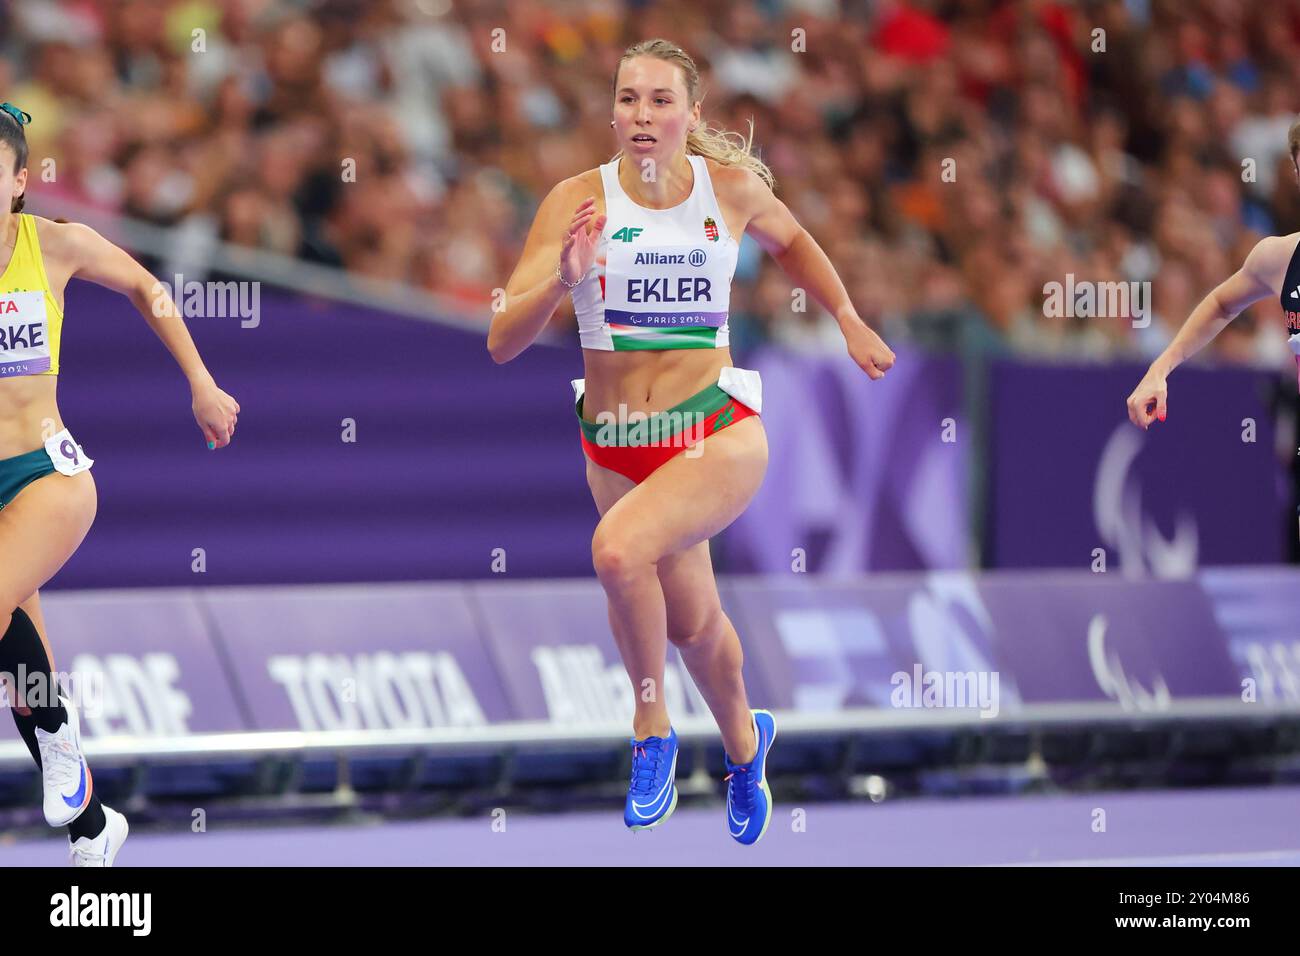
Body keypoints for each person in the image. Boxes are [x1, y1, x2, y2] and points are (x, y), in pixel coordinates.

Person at [487, 41, 894, 844]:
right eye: (629, 99)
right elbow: (502, 339)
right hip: (615, 442)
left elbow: (795, 245)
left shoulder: (730, 191)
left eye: (661, 100)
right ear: (611, 112)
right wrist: (565, 282)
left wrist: (845, 315)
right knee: (693, 625)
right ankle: (746, 746)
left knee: (615, 554)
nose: (643, 115)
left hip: (713, 429)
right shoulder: (576, 201)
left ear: (692, 115)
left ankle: (651, 733)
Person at [0, 102, 239, 865]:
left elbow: (149, 289)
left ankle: (63, 744)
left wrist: (201, 382)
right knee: (20, 662)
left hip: (49, 474)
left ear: (19, 181)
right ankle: (93, 824)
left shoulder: (58, 246)